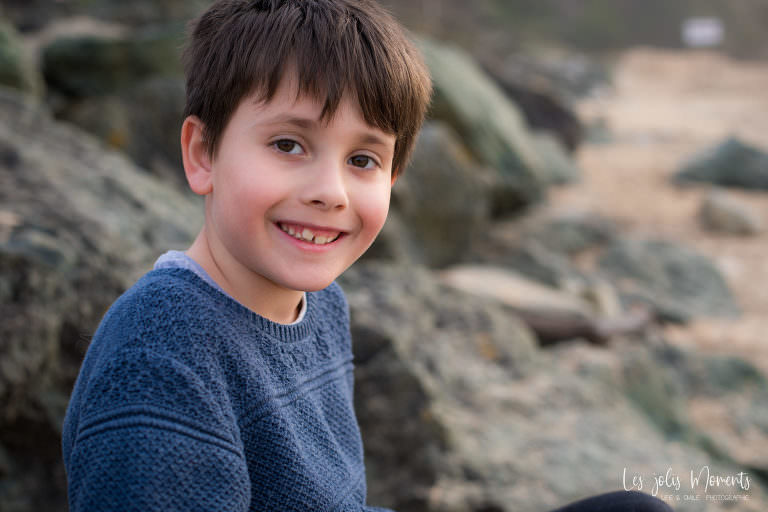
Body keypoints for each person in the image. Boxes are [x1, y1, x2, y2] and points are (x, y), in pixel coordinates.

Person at [61, 1, 673, 511]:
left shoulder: (321, 305)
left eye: (363, 160)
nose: (330, 191)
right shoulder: (161, 360)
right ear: (202, 154)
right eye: (288, 143)